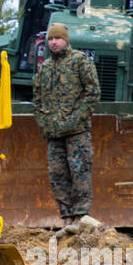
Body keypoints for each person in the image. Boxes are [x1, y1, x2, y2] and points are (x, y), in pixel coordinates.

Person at [32, 21, 100, 228]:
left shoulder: (80, 62)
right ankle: (66, 218)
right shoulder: (45, 69)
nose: (54, 42)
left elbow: (92, 92)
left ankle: (81, 216)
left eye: (58, 38)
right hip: (54, 134)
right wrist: (45, 123)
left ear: (66, 40)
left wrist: (76, 118)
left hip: (77, 132)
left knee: (79, 171)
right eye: (51, 39)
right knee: (58, 175)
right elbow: (37, 100)